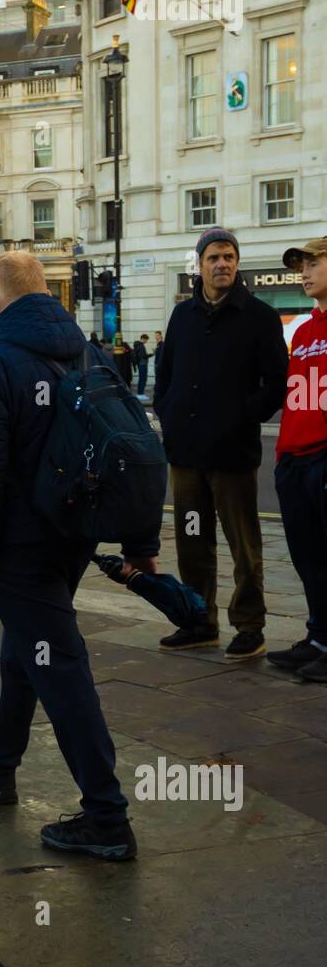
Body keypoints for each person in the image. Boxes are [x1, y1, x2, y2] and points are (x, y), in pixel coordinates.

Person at [0, 251, 157, 860]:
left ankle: (106, 816)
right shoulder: (87, 353)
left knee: (59, 664)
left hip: (18, 545)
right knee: (30, 649)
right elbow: (137, 442)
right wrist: (140, 541)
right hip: (74, 533)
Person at [153, 227, 288, 659]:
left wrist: (241, 417)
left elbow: (277, 383)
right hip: (187, 456)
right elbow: (167, 373)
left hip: (231, 456)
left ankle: (249, 625)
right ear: (200, 264)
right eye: (214, 257)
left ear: (237, 263)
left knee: (242, 543)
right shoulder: (183, 316)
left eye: (229, 256)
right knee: (193, 539)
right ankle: (199, 620)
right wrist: (168, 415)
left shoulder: (259, 317)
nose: (222, 264)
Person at [267, 237, 327, 683]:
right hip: (294, 460)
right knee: (308, 558)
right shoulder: (304, 330)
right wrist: (283, 453)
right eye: (301, 265)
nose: (304, 272)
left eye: (314, 262)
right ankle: (319, 637)